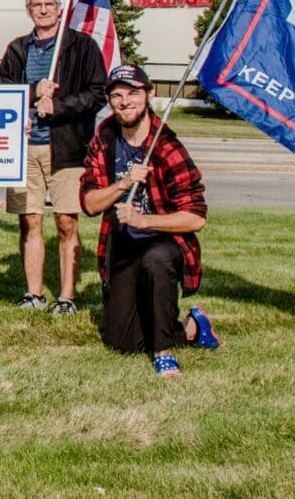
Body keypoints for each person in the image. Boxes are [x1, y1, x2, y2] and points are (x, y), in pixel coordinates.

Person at [80, 64, 217, 378]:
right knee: (121, 343)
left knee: (156, 260)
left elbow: (195, 218)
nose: (125, 101)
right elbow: (89, 203)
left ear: (149, 94)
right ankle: (193, 327)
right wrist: (124, 183)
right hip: (122, 244)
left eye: (133, 93)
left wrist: (144, 221)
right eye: (117, 95)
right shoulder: (104, 139)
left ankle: (164, 353)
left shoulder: (166, 147)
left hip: (163, 242)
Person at [0, 0, 109, 314]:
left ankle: (66, 297)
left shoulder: (81, 46)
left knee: (66, 222)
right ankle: (34, 294)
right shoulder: (17, 49)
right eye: (36, 5)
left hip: (66, 148)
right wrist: (33, 92)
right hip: (24, 149)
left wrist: (57, 107)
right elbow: (1, 91)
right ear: (28, 10)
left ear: (60, 8)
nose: (43, 10)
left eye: (49, 4)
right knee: (29, 221)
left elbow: (97, 93)